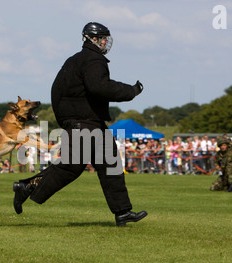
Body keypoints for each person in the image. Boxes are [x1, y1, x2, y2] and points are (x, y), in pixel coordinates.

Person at [12, 22, 147, 226]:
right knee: (71, 167)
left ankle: (122, 212)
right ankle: (28, 186)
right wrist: (131, 91)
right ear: (91, 39)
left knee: (109, 164)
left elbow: (56, 92)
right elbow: (100, 87)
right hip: (84, 122)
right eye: (102, 38)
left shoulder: (74, 61)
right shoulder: (94, 60)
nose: (105, 42)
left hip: (85, 122)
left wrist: (65, 120)